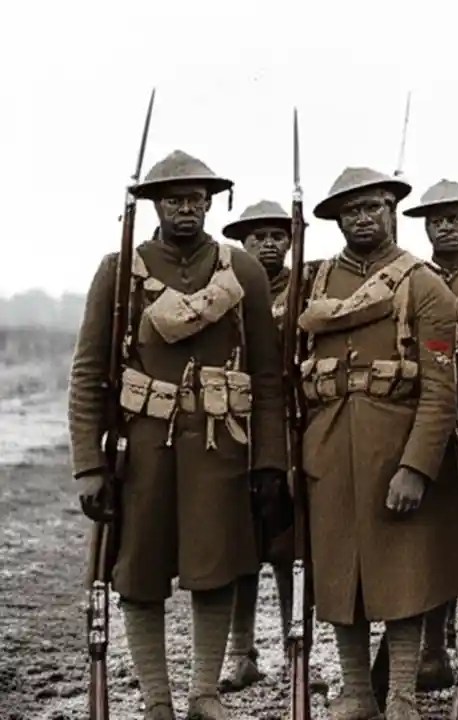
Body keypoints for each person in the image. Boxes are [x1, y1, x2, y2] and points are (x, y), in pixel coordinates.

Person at [70, 150, 288, 720]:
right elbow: (89, 373)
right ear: (155, 206)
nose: (185, 208)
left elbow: (267, 375)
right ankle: (157, 700)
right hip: (143, 447)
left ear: (211, 202)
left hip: (222, 443)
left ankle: (203, 694)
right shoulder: (119, 271)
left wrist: (269, 461)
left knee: (215, 568)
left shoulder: (241, 270)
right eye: (173, 199)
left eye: (195, 198)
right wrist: (90, 467)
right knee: (140, 572)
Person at [298, 167, 458, 719]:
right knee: (338, 577)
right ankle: (357, 690)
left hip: (396, 451)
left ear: (391, 210)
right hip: (328, 448)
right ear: (335, 218)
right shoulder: (315, 284)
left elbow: (440, 391)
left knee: (406, 578)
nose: (363, 218)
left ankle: (401, 694)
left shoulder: (424, 286)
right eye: (350, 209)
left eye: (373, 206)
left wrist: (417, 467)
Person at [218, 199, 327, 694]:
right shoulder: (226, 291)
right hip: (236, 425)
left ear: (291, 241)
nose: (267, 244)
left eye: (277, 235)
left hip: (291, 425)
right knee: (239, 541)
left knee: (289, 543)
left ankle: (295, 649)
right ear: (243, 242)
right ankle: (240, 653)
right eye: (257, 235)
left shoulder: (308, 287)